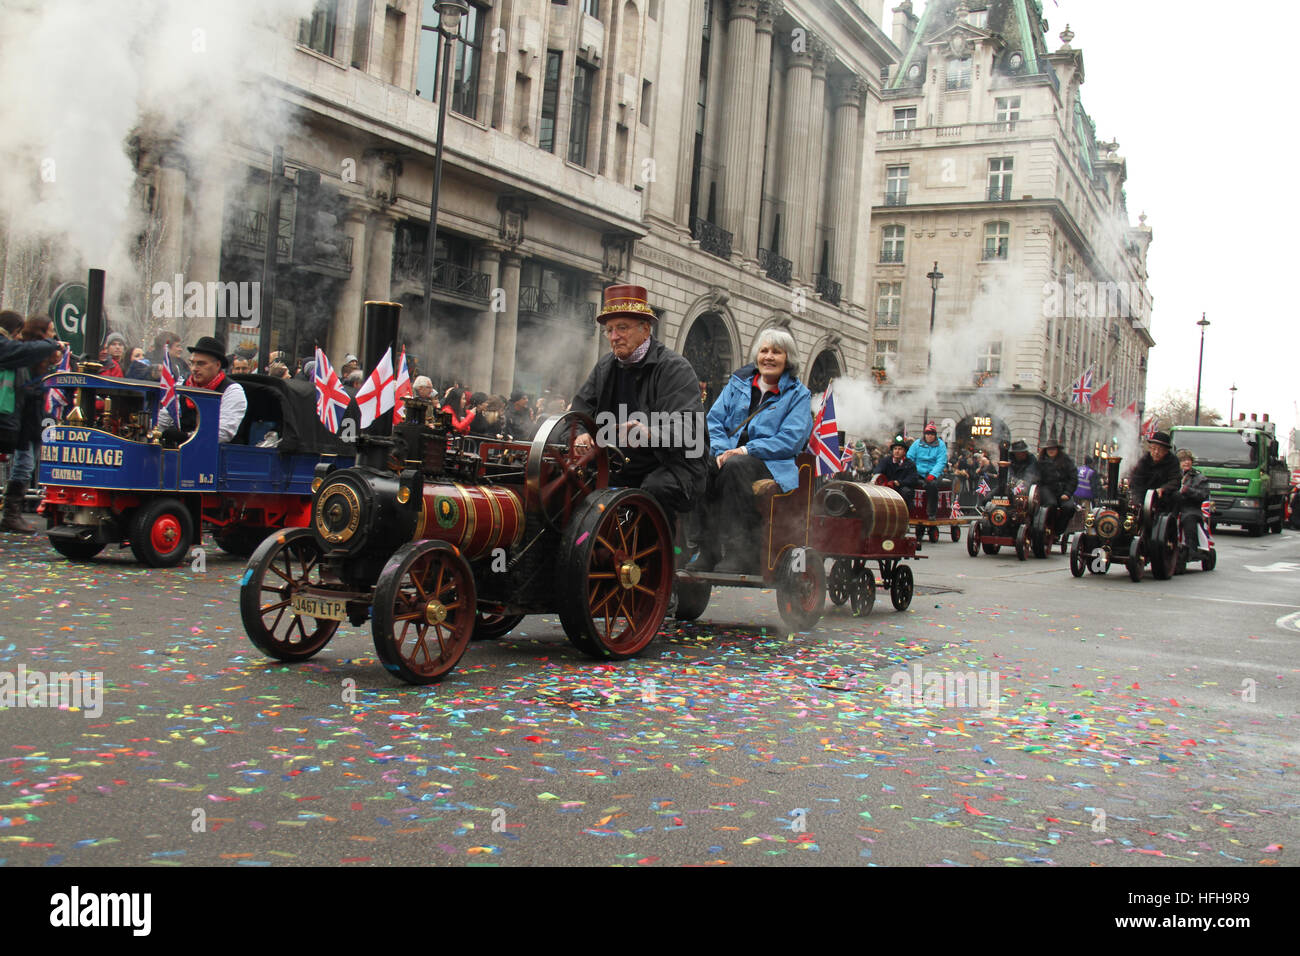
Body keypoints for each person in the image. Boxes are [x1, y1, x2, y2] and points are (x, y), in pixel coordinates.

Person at [571, 284, 707, 529]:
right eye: (609, 330)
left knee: (654, 489)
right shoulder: (605, 367)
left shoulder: (675, 368)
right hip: (623, 462)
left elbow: (689, 428)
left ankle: (656, 562)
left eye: (622, 328)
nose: (614, 337)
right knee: (574, 478)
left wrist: (649, 434)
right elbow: (579, 411)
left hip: (675, 465)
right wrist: (580, 434)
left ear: (646, 329)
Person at [691, 327, 812, 573]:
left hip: (770, 462)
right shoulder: (737, 384)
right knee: (697, 465)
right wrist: (721, 450)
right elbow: (714, 422)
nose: (768, 357)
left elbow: (791, 439)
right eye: (764, 350)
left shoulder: (798, 395)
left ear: (788, 359)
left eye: (776, 352)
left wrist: (746, 450)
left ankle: (740, 551)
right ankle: (706, 548)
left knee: (735, 468)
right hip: (728, 454)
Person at [1, 312, 63, 533]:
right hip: (23, 416)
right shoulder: (22, 352)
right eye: (50, 330)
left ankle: (12, 513)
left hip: (31, 416)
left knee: (25, 463)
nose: (54, 335)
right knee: (24, 463)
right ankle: (11, 514)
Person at [157, 336, 247, 443]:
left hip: (215, 454)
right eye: (192, 363)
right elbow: (163, 419)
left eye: (201, 364)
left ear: (218, 365)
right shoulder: (182, 385)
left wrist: (186, 437)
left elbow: (223, 433)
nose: (194, 369)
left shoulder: (232, 391)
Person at [1127, 431, 1180, 513]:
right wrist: (1137, 500)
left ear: (1166, 451)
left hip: (1163, 496)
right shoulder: (1144, 460)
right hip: (1144, 493)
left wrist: (1163, 489)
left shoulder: (1173, 461)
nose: (1156, 452)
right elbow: (1136, 481)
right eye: (1154, 448)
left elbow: (1175, 480)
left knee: (1176, 496)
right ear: (1150, 448)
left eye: (1160, 450)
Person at [1037, 436, 1078, 536]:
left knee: (1069, 507)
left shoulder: (1066, 461)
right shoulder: (1040, 461)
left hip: (1063, 491)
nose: (1051, 451)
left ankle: (1058, 530)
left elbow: (1073, 478)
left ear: (1057, 450)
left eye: (1053, 449)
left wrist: (1067, 493)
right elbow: (1036, 476)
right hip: (1047, 489)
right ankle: (1046, 525)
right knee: (1051, 504)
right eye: (1049, 449)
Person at [906, 422, 948, 518]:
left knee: (932, 486)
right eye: (927, 434)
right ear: (924, 434)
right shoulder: (917, 443)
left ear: (935, 435)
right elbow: (909, 457)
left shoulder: (941, 445)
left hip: (934, 473)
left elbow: (941, 462)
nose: (929, 436)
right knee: (907, 485)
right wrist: (912, 471)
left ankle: (931, 513)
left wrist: (933, 474)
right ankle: (910, 511)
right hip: (918, 472)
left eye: (932, 434)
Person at [1176, 449, 1211, 553]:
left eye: (1188, 460)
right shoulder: (1173, 475)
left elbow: (1203, 494)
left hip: (1192, 508)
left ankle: (1191, 549)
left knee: (1189, 519)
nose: (1186, 462)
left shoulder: (1199, 477)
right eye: (1183, 460)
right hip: (1175, 507)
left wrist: (1187, 490)